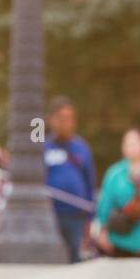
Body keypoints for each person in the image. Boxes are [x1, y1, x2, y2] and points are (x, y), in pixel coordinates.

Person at [92, 128, 140, 258]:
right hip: (120, 241)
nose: (132, 147)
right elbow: (105, 205)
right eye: (128, 144)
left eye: (135, 143)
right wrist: (101, 231)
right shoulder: (115, 174)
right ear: (123, 148)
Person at [43, 97, 97, 263]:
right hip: (51, 215)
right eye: (62, 119)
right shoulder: (44, 147)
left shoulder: (81, 147)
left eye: (70, 119)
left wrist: (90, 217)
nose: (66, 124)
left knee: (75, 259)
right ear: (52, 120)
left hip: (77, 216)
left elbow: (90, 182)